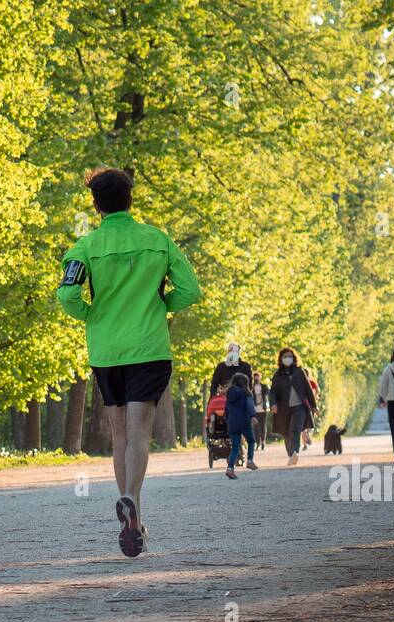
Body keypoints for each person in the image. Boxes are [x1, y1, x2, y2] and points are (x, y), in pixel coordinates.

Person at [57, 166, 199, 559]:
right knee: (139, 433)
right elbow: (191, 290)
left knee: (120, 435)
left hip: (106, 351)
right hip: (149, 348)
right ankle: (131, 499)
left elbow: (67, 295)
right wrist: (159, 307)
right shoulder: (158, 240)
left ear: (96, 204)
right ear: (130, 199)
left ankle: (129, 502)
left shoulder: (84, 247)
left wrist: (91, 316)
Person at [269, 346, 317, 465]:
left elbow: (308, 389)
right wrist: (273, 404)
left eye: (290, 356)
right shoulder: (278, 375)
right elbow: (273, 391)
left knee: (295, 429)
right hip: (283, 408)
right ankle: (291, 454)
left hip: (299, 407)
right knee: (286, 432)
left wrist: (313, 405)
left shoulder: (299, 372)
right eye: (285, 356)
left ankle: (295, 451)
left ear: (294, 358)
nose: (288, 358)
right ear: (281, 359)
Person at [224, 373, 257, 479]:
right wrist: (252, 416)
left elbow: (226, 411)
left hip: (232, 423)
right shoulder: (246, 394)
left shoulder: (229, 395)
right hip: (244, 422)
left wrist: (228, 421)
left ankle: (230, 469)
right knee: (251, 441)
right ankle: (250, 460)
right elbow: (249, 405)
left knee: (235, 447)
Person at [251, 370, 269, 450]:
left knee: (262, 426)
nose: (256, 378)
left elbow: (269, 394)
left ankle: (263, 442)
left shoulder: (264, 386)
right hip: (254, 409)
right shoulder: (251, 388)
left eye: (257, 377)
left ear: (260, 377)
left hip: (263, 408)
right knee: (255, 426)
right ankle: (257, 443)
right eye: (255, 377)